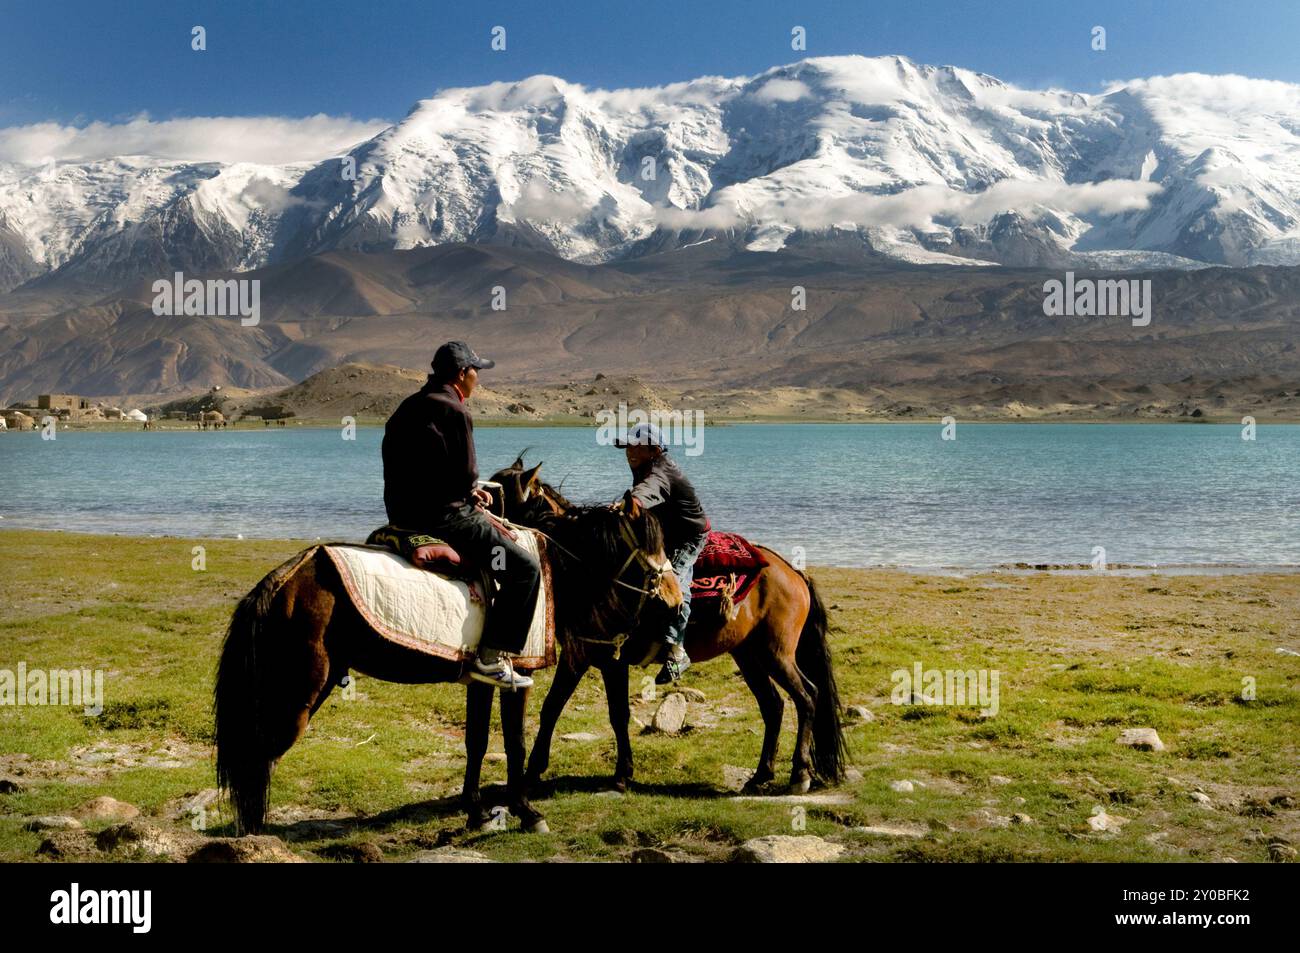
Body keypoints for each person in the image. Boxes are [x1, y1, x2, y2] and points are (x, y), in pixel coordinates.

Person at [382, 341, 539, 690]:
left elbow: (424, 470)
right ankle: (492, 657)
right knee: (525, 569)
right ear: (461, 374)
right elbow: (466, 472)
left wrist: (467, 491)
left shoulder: (407, 407)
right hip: (446, 520)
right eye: (476, 371)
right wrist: (469, 491)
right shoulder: (455, 411)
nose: (478, 378)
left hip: (403, 514)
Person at [615, 422, 709, 683]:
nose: (629, 451)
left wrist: (632, 502)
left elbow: (648, 491)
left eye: (637, 447)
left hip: (688, 537)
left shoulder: (661, 471)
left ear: (654, 450)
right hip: (665, 532)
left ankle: (678, 651)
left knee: (673, 582)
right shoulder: (645, 468)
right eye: (627, 446)